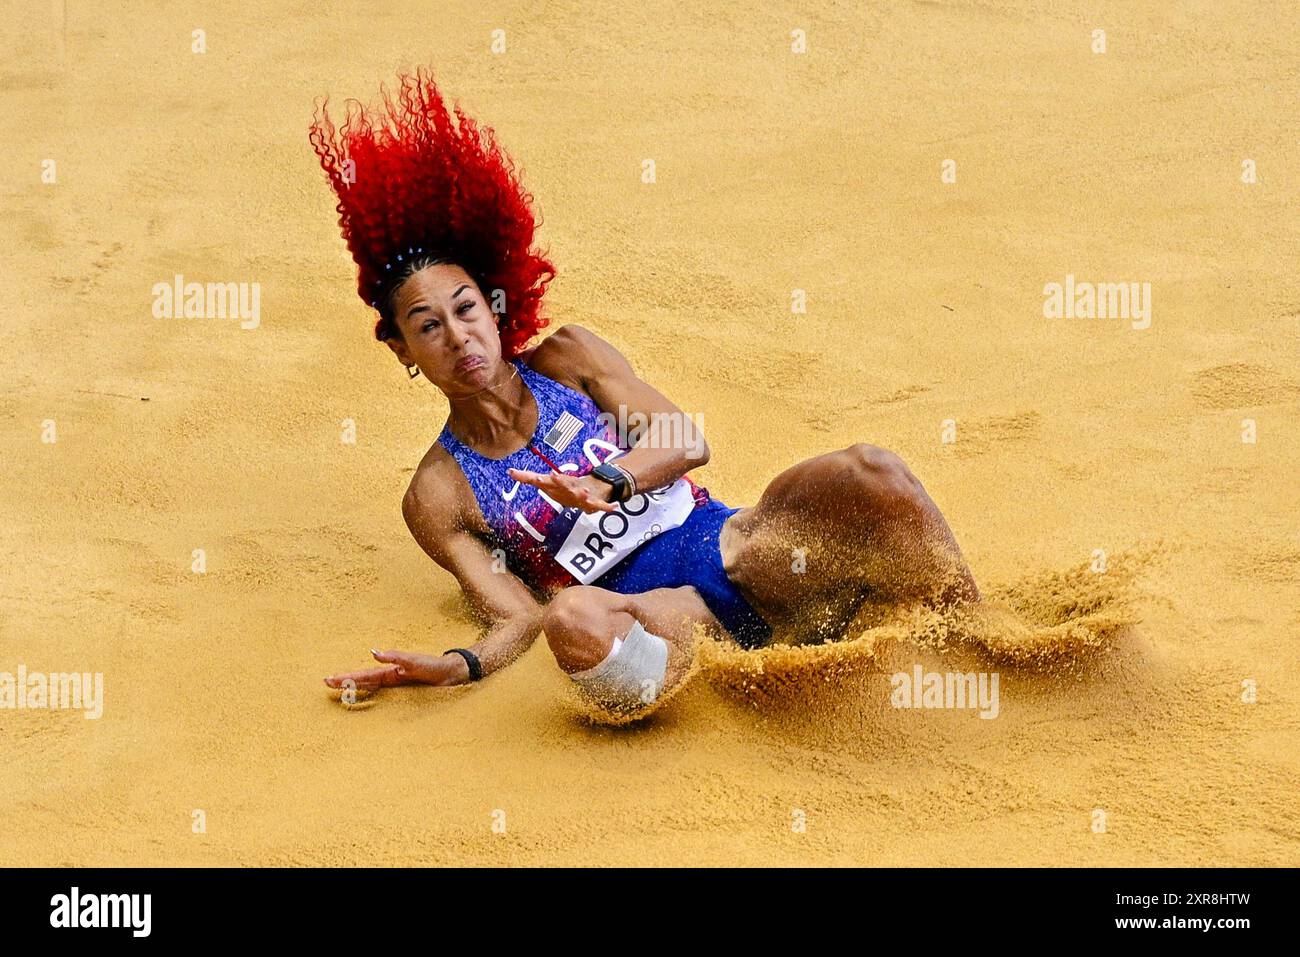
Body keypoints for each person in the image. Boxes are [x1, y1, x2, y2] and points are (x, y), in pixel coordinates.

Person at [313, 69, 980, 716]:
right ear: (401, 348)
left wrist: (610, 481)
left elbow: (685, 439)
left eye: (465, 310)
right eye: (428, 326)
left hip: (739, 551)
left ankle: (982, 642)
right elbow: (517, 614)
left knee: (872, 470)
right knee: (571, 622)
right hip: (658, 619)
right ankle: (723, 688)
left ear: (494, 306)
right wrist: (459, 663)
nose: (458, 337)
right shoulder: (438, 492)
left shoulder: (569, 359)